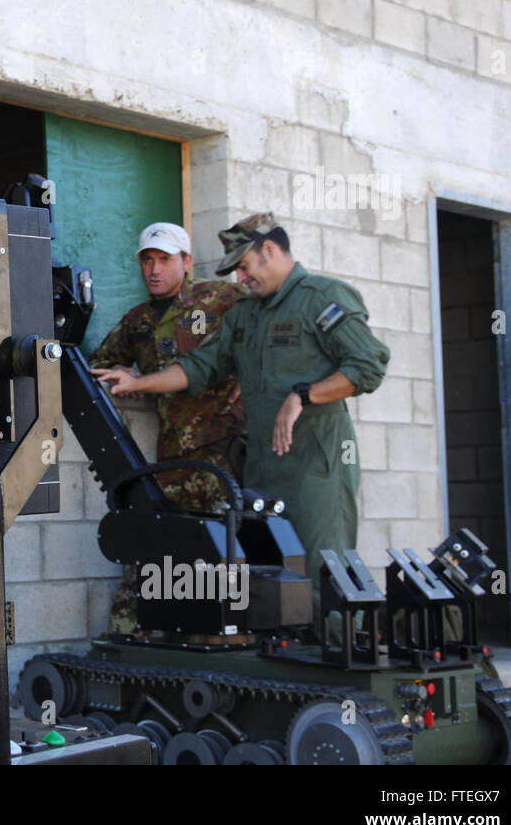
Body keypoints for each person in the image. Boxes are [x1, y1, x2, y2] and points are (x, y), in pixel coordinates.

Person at [100, 213, 391, 625]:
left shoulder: (322, 296)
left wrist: (303, 395)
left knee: (323, 571)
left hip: (316, 465)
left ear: (269, 250)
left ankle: (343, 670)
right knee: (269, 571)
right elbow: (200, 367)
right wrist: (139, 382)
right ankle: (286, 675)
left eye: (244, 266)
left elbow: (369, 365)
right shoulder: (245, 315)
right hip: (260, 466)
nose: (241, 279)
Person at [90, 221, 247, 512]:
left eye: (164, 259)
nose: (154, 270)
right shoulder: (138, 320)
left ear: (186, 261)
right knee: (176, 540)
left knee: (230, 544)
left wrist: (252, 370)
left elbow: (265, 325)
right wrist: (121, 372)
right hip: (175, 456)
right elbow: (98, 363)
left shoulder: (220, 298)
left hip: (224, 448)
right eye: (147, 260)